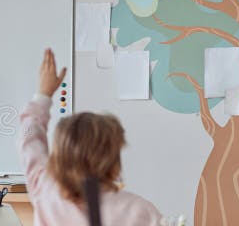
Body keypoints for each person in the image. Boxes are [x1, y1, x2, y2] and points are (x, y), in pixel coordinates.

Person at [19, 48, 162, 225]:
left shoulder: (45, 192)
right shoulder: (141, 212)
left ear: (57, 160)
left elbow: (28, 136)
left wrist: (43, 94)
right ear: (115, 165)